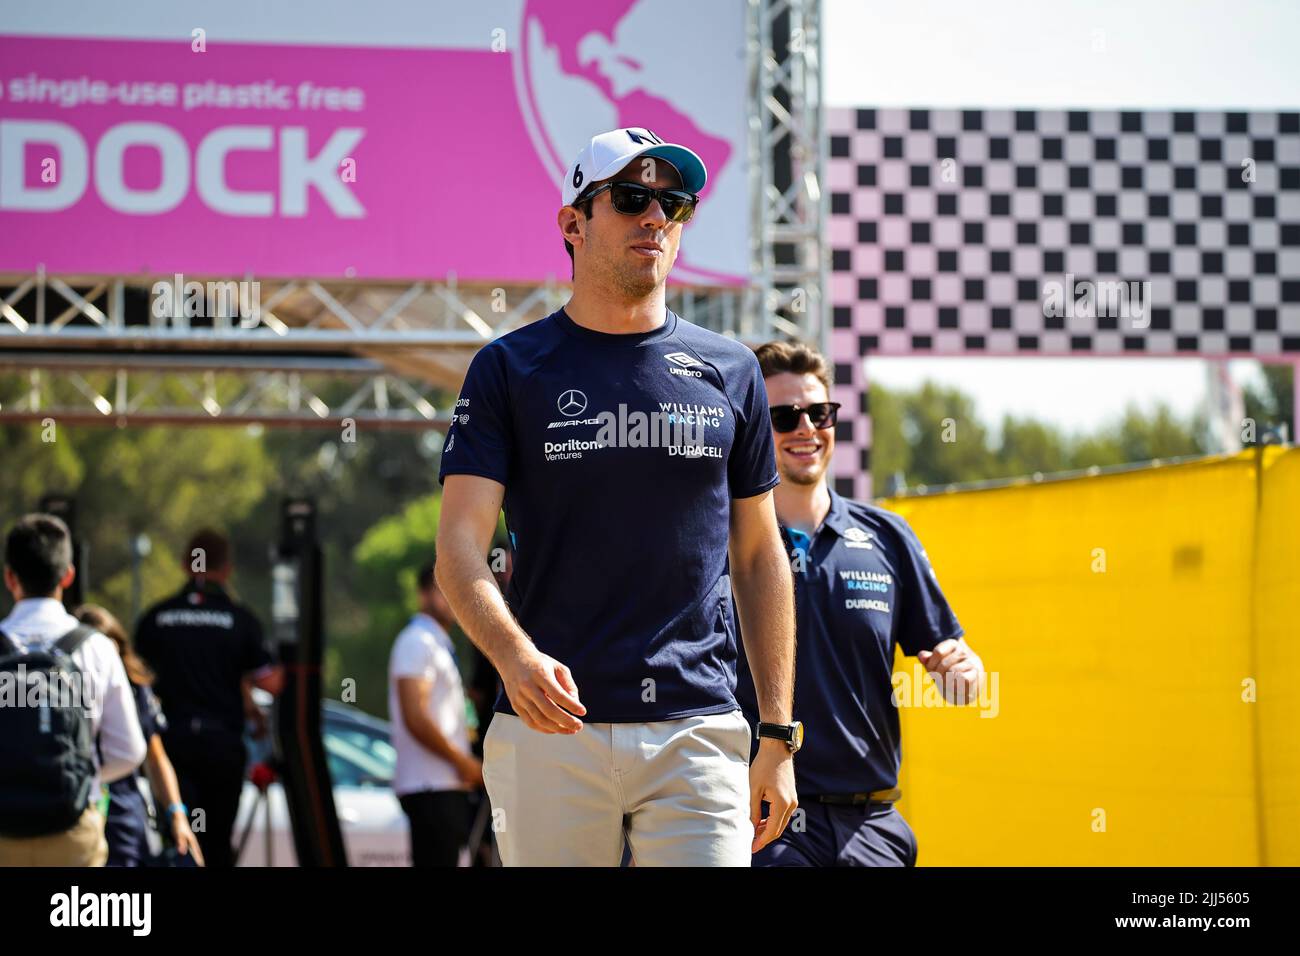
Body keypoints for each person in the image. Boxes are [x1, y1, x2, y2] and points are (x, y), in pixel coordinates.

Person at [436, 127, 799, 867]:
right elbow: (459, 548)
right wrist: (514, 658)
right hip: (548, 729)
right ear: (573, 222)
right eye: (631, 198)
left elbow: (761, 558)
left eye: (674, 203)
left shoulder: (732, 370)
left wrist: (778, 734)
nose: (655, 218)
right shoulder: (509, 368)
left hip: (698, 726)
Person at [735, 341, 986, 867]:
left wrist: (966, 672)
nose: (806, 428)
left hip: (872, 826)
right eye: (784, 416)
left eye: (819, 413)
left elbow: (958, 670)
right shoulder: (725, 540)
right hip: (761, 821)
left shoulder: (887, 536)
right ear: (757, 426)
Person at [0, 514, 146, 866]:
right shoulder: (96, 647)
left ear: (9, 577)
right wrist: (84, 772)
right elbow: (129, 750)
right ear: (68, 574)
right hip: (72, 829)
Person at [134, 528, 283, 868]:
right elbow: (272, 682)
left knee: (178, 843)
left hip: (171, 749)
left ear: (186, 565)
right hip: (221, 750)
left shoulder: (156, 618)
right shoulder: (239, 620)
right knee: (216, 844)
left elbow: (137, 678)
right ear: (226, 569)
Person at [75, 604, 205, 867]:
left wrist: (178, 815)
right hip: (76, 812)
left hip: (123, 816)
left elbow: (156, 758)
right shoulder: (61, 689)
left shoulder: (135, 690)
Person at [389, 562, 480, 867]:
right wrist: (463, 763)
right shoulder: (417, 641)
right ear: (423, 595)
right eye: (443, 590)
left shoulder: (437, 644)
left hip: (443, 785)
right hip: (430, 785)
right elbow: (414, 716)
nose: (453, 598)